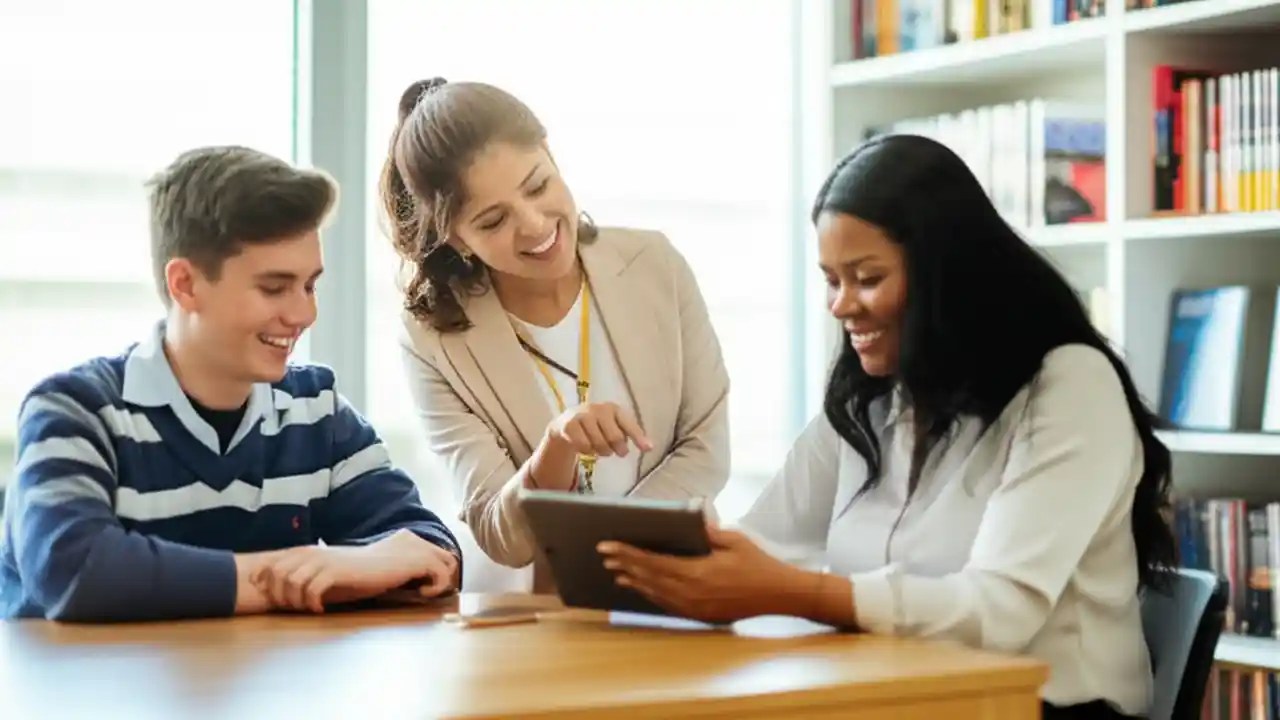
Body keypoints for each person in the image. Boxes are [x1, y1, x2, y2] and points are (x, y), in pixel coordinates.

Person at [598, 134, 1174, 720]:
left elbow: (1001, 613)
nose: (842, 305)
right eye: (831, 280)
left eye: (867, 278)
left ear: (944, 276)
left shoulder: (1069, 384)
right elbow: (769, 539)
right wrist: (664, 561)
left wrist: (791, 592)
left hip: (1049, 706)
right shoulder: (869, 399)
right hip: (897, 698)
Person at [0, 145, 462, 622]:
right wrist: (291, 579)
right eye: (274, 287)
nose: (304, 314)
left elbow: (430, 553)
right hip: (86, 695)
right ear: (186, 285)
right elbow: (76, 571)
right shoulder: (74, 411)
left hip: (267, 693)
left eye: (309, 285)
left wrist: (362, 563)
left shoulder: (315, 410)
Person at [381, 78, 730, 592]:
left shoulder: (655, 265)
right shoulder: (434, 338)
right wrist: (558, 446)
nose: (535, 224)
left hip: (672, 590)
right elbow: (504, 536)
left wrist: (606, 555)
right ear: (457, 238)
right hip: (528, 619)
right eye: (494, 219)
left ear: (549, 151)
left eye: (538, 185)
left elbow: (706, 448)